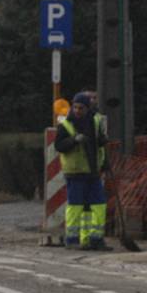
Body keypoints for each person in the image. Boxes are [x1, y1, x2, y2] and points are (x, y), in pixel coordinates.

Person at [55, 91, 109, 250]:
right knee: (76, 206)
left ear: (87, 108)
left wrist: (104, 158)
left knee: (98, 205)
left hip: (93, 171)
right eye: (75, 107)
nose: (77, 111)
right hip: (75, 172)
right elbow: (59, 146)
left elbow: (99, 144)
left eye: (81, 108)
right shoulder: (66, 125)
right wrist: (74, 140)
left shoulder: (95, 121)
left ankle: (94, 239)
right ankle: (72, 239)